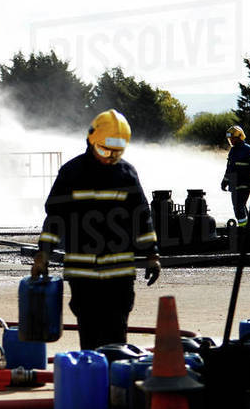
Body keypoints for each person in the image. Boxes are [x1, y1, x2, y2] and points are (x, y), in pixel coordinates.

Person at [30, 109, 161, 351]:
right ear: (91, 141)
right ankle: (92, 381)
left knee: (117, 337)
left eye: (117, 152)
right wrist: (43, 254)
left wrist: (152, 255)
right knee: (89, 336)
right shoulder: (71, 174)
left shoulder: (127, 174)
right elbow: (55, 219)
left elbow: (142, 218)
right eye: (104, 150)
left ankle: (115, 385)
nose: (110, 157)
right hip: (84, 277)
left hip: (119, 276)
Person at [221, 125, 250, 225]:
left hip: (244, 184)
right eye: (230, 139)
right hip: (234, 184)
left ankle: (244, 229)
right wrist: (225, 181)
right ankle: (247, 225)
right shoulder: (233, 151)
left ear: (239, 137)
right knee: (238, 206)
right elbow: (229, 168)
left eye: (232, 138)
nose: (231, 141)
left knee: (239, 206)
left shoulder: (248, 150)